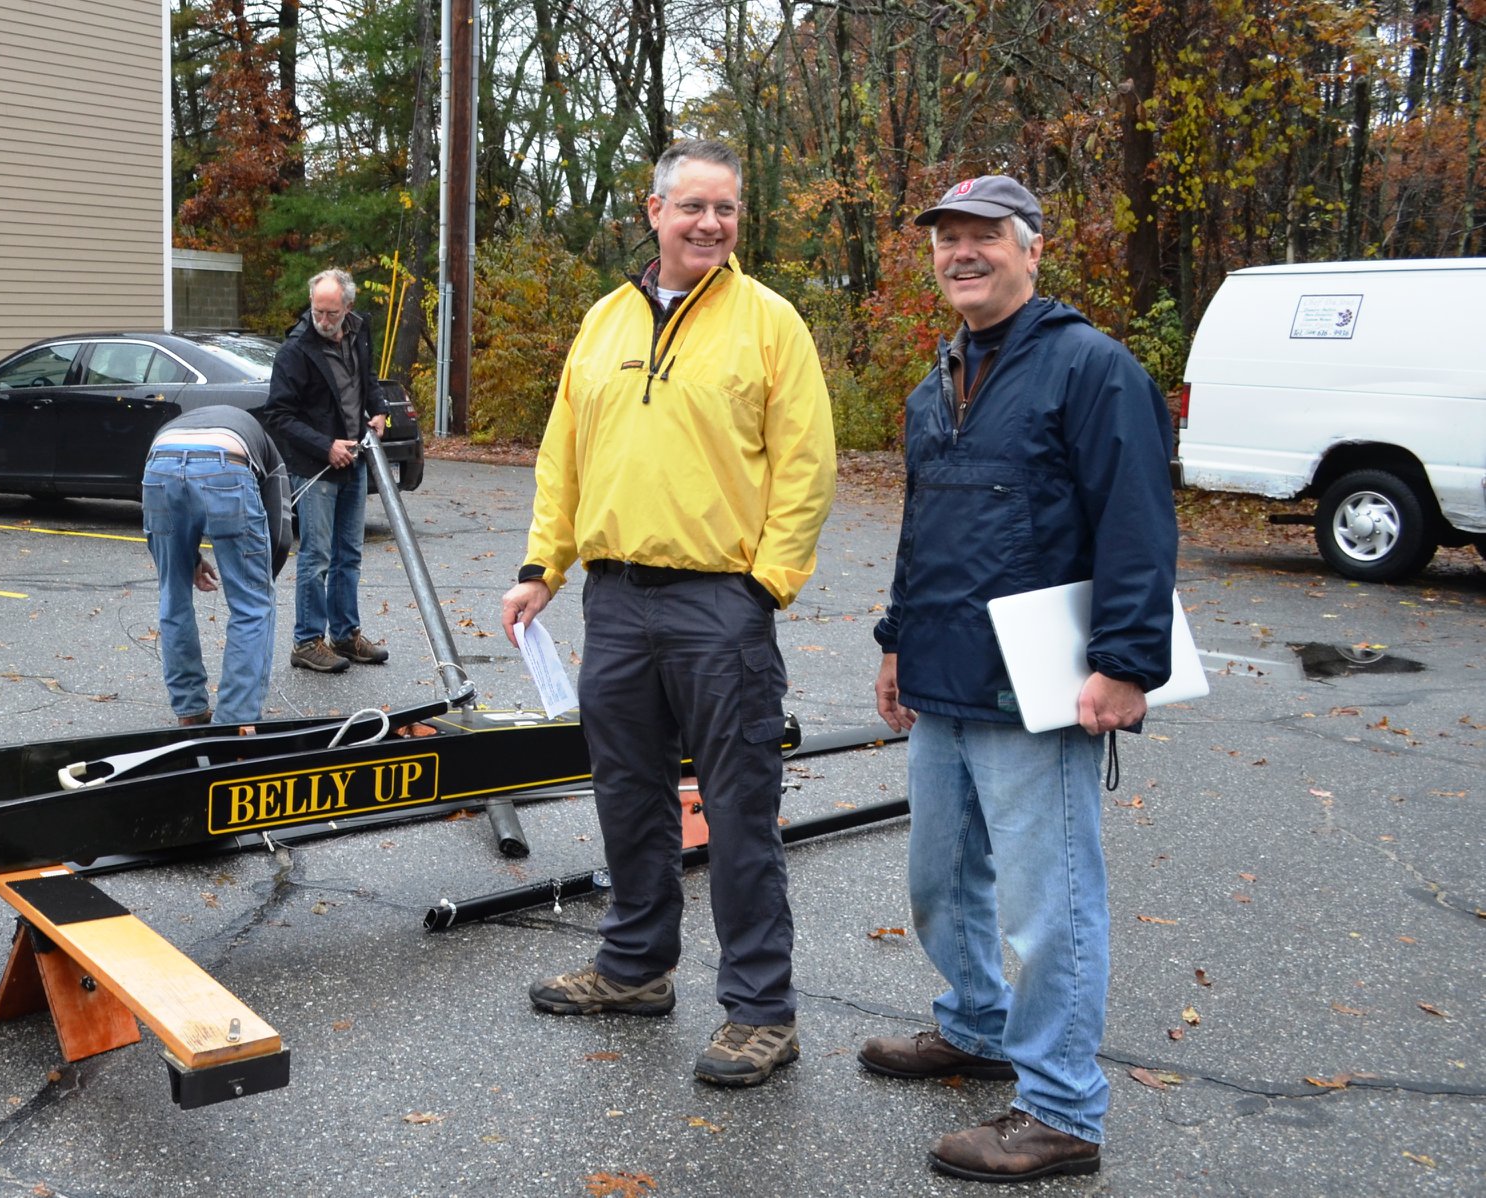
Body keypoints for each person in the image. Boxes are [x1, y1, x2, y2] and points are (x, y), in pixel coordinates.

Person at [859, 175, 1178, 1182]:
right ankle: (976, 1026)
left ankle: (1062, 1110)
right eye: (947, 238)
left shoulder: (1092, 368)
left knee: (1051, 910)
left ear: (1031, 249)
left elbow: (1138, 524)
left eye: (984, 235)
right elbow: (923, 531)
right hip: (944, 679)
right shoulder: (937, 381)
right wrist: (896, 641)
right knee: (940, 884)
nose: (962, 252)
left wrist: (1125, 664)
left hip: (1039, 693)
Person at [500, 139, 837, 1088]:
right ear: (654, 211)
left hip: (719, 604)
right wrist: (542, 567)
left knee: (738, 810)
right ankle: (634, 967)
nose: (710, 224)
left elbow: (807, 467)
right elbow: (564, 455)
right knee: (627, 795)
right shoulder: (603, 321)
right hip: (614, 603)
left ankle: (761, 1012)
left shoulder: (770, 324)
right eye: (692, 206)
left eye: (725, 208)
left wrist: (764, 586)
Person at [265, 268, 391, 674]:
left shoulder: (360, 329)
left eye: (331, 313)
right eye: (317, 311)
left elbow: (366, 378)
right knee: (316, 556)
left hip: (354, 460)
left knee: (348, 554)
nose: (322, 320)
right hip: (315, 467)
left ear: (348, 307)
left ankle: (345, 634)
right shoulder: (295, 350)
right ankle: (306, 641)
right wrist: (325, 446)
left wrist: (379, 410)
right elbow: (279, 415)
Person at [142, 406, 291, 728]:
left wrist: (192, 561)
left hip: (159, 464)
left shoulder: (185, 423)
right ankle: (235, 721)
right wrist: (259, 580)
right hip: (227, 465)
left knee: (173, 597)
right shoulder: (269, 450)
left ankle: (190, 711)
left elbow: (178, 488)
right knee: (252, 607)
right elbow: (281, 535)